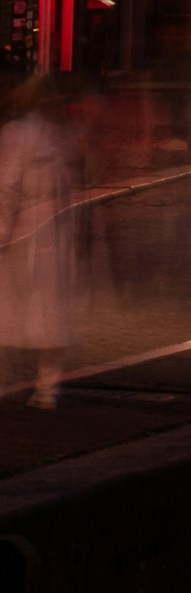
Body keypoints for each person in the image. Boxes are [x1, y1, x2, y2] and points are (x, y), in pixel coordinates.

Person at [0, 74, 85, 409]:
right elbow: (7, 187)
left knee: (38, 310)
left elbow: (6, 187)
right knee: (34, 310)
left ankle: (40, 385)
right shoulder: (36, 136)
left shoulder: (47, 137)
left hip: (41, 234)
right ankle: (38, 384)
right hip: (39, 234)